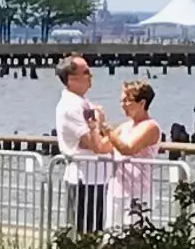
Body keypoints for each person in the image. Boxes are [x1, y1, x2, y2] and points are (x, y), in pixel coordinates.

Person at [51, 53, 114, 233]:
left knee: (97, 230)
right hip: (84, 180)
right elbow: (95, 145)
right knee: (84, 233)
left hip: (97, 178)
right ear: (71, 79)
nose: (91, 75)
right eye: (86, 72)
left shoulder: (83, 103)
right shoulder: (71, 106)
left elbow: (97, 138)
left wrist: (101, 129)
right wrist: (115, 137)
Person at [105, 77, 167, 223]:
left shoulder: (151, 126)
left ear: (142, 103)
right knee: (112, 234)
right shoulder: (125, 126)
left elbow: (128, 149)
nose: (123, 105)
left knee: (133, 237)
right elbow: (102, 147)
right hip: (116, 190)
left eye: (127, 101)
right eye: (122, 101)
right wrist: (95, 126)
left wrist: (108, 132)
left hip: (138, 192)